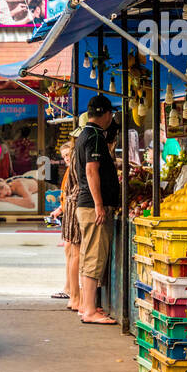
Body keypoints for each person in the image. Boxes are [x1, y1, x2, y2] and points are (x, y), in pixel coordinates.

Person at [74, 95, 120, 325]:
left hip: (88, 206)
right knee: (93, 256)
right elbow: (92, 171)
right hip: (93, 207)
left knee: (88, 255)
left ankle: (87, 305)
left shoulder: (85, 135)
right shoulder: (93, 136)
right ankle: (90, 310)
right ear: (106, 114)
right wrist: (100, 204)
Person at [50, 141, 81, 309]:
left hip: (72, 215)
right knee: (70, 252)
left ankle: (71, 291)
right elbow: (67, 195)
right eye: (64, 157)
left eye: (68, 155)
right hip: (69, 214)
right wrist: (60, 209)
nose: (66, 159)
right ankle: (69, 289)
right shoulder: (70, 171)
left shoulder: (73, 170)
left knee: (72, 252)